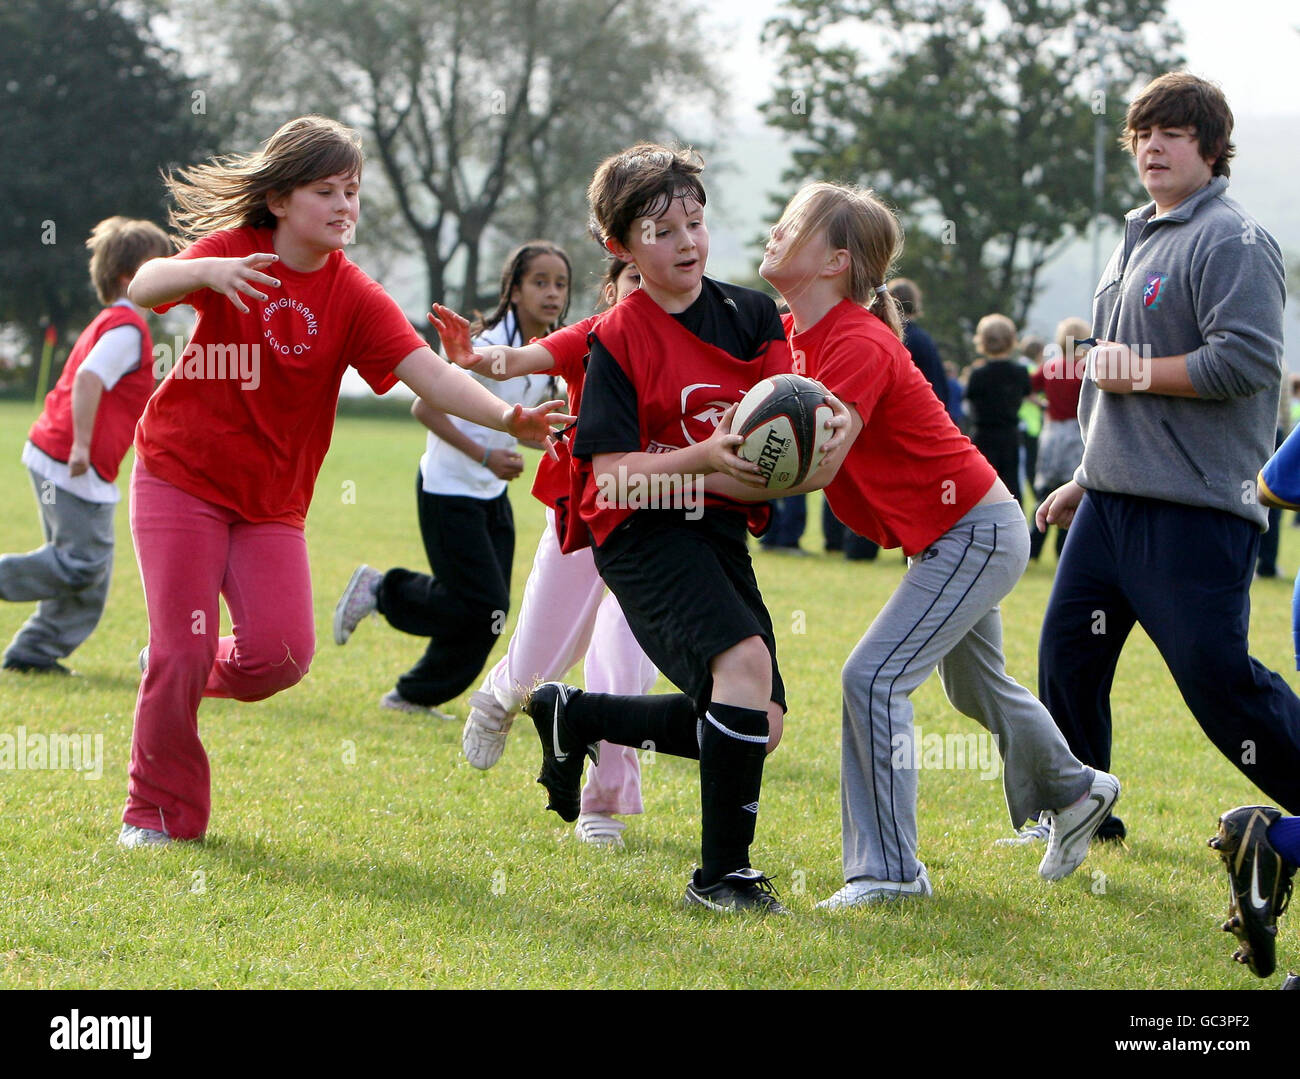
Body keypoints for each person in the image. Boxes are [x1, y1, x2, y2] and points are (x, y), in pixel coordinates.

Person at [117, 115, 569, 848]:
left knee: (283, 654)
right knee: (185, 644)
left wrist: (510, 415)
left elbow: (429, 374)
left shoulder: (355, 295)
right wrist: (203, 270)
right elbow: (143, 284)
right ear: (280, 200)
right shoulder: (237, 251)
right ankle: (157, 812)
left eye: (352, 191)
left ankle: (179, 664)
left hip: (271, 502)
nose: (343, 206)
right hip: (181, 477)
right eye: (325, 190)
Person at [752, 181, 1117, 907]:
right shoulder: (800, 337)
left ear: (835, 260)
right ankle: (1077, 793)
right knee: (973, 683)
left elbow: (819, 460)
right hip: (954, 534)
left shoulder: (856, 340)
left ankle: (889, 872)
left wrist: (720, 479)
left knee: (872, 678)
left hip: (973, 530)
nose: (774, 229)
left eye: (791, 223)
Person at [513, 143, 838, 913]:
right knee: (743, 661)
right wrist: (701, 454)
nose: (687, 242)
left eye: (696, 222)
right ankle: (720, 876)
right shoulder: (614, 339)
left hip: (717, 530)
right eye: (661, 232)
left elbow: (790, 421)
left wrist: (818, 437)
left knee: (762, 722)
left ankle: (577, 713)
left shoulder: (752, 315)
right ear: (617, 246)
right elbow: (613, 473)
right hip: (640, 533)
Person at [1025, 75, 1300, 900]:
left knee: (1219, 683)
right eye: (1143, 133)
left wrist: (1142, 373)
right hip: (1110, 504)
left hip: (1195, 511)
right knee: (1067, 660)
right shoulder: (1135, 235)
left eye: (1174, 134)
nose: (1153, 147)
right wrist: (1083, 476)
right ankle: (1080, 810)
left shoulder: (1233, 241)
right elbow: (1103, 376)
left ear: (1212, 149)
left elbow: (1251, 363)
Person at [428, 257, 658, 848]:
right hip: (581, 513)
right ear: (610, 290)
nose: (648, 289)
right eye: (634, 278)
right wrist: (476, 357)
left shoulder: (697, 336)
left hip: (659, 529)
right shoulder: (590, 335)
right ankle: (502, 693)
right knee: (537, 657)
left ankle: (602, 806)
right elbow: (521, 358)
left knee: (622, 669)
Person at [332, 241, 570, 717]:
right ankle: (381, 591)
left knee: (488, 614)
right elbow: (425, 406)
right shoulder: (483, 348)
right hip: (447, 489)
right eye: (539, 282)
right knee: (480, 605)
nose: (551, 293)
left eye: (560, 284)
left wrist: (557, 444)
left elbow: (521, 425)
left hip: (490, 494)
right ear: (515, 291)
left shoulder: (544, 353)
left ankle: (413, 696)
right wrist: (485, 456)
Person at [0, 217, 172, 674]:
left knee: (90, 576)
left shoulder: (118, 323)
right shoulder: (127, 330)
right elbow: (89, 379)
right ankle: (31, 640)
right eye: (159, 267)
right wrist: (80, 446)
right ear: (127, 279)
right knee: (81, 565)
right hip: (70, 460)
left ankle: (33, 654)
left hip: (70, 459)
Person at [1026, 318, 1089, 563]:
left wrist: (1042, 404)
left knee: (1045, 491)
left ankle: (1034, 547)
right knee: (1072, 492)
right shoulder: (1085, 369)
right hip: (1077, 432)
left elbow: (1027, 387)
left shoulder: (1051, 367)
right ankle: (1064, 549)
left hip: (1052, 432)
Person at [964, 313, 1029, 505]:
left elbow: (969, 404)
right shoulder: (1020, 373)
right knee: (1012, 486)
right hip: (1009, 435)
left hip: (983, 435)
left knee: (982, 487)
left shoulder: (977, 374)